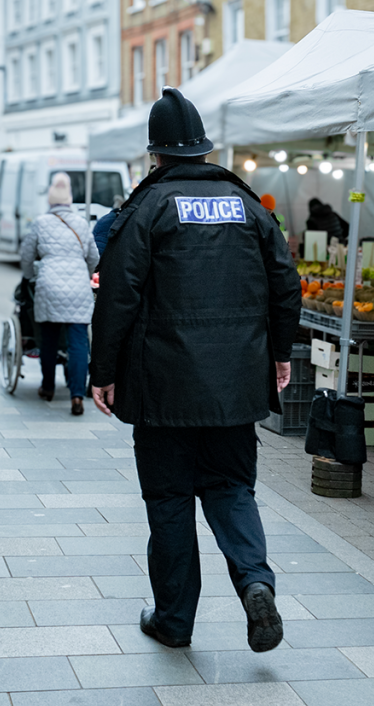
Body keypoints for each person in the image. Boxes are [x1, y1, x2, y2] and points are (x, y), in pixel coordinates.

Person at [90, 87, 301, 652]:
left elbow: (118, 294)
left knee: (170, 501)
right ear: (205, 149)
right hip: (236, 386)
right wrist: (280, 352)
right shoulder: (249, 206)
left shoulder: (147, 207)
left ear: (156, 154)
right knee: (232, 488)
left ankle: (174, 620)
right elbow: (286, 283)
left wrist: (102, 369)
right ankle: (255, 582)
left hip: (162, 388)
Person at [20, 172, 99, 416]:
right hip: (78, 287)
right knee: (78, 342)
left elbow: (26, 255)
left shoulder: (41, 222)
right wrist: (82, 273)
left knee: (49, 340)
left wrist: (28, 276)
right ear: (69, 200)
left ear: (50, 201)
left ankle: (47, 388)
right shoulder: (82, 224)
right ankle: (76, 396)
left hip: (48, 286)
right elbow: (94, 257)